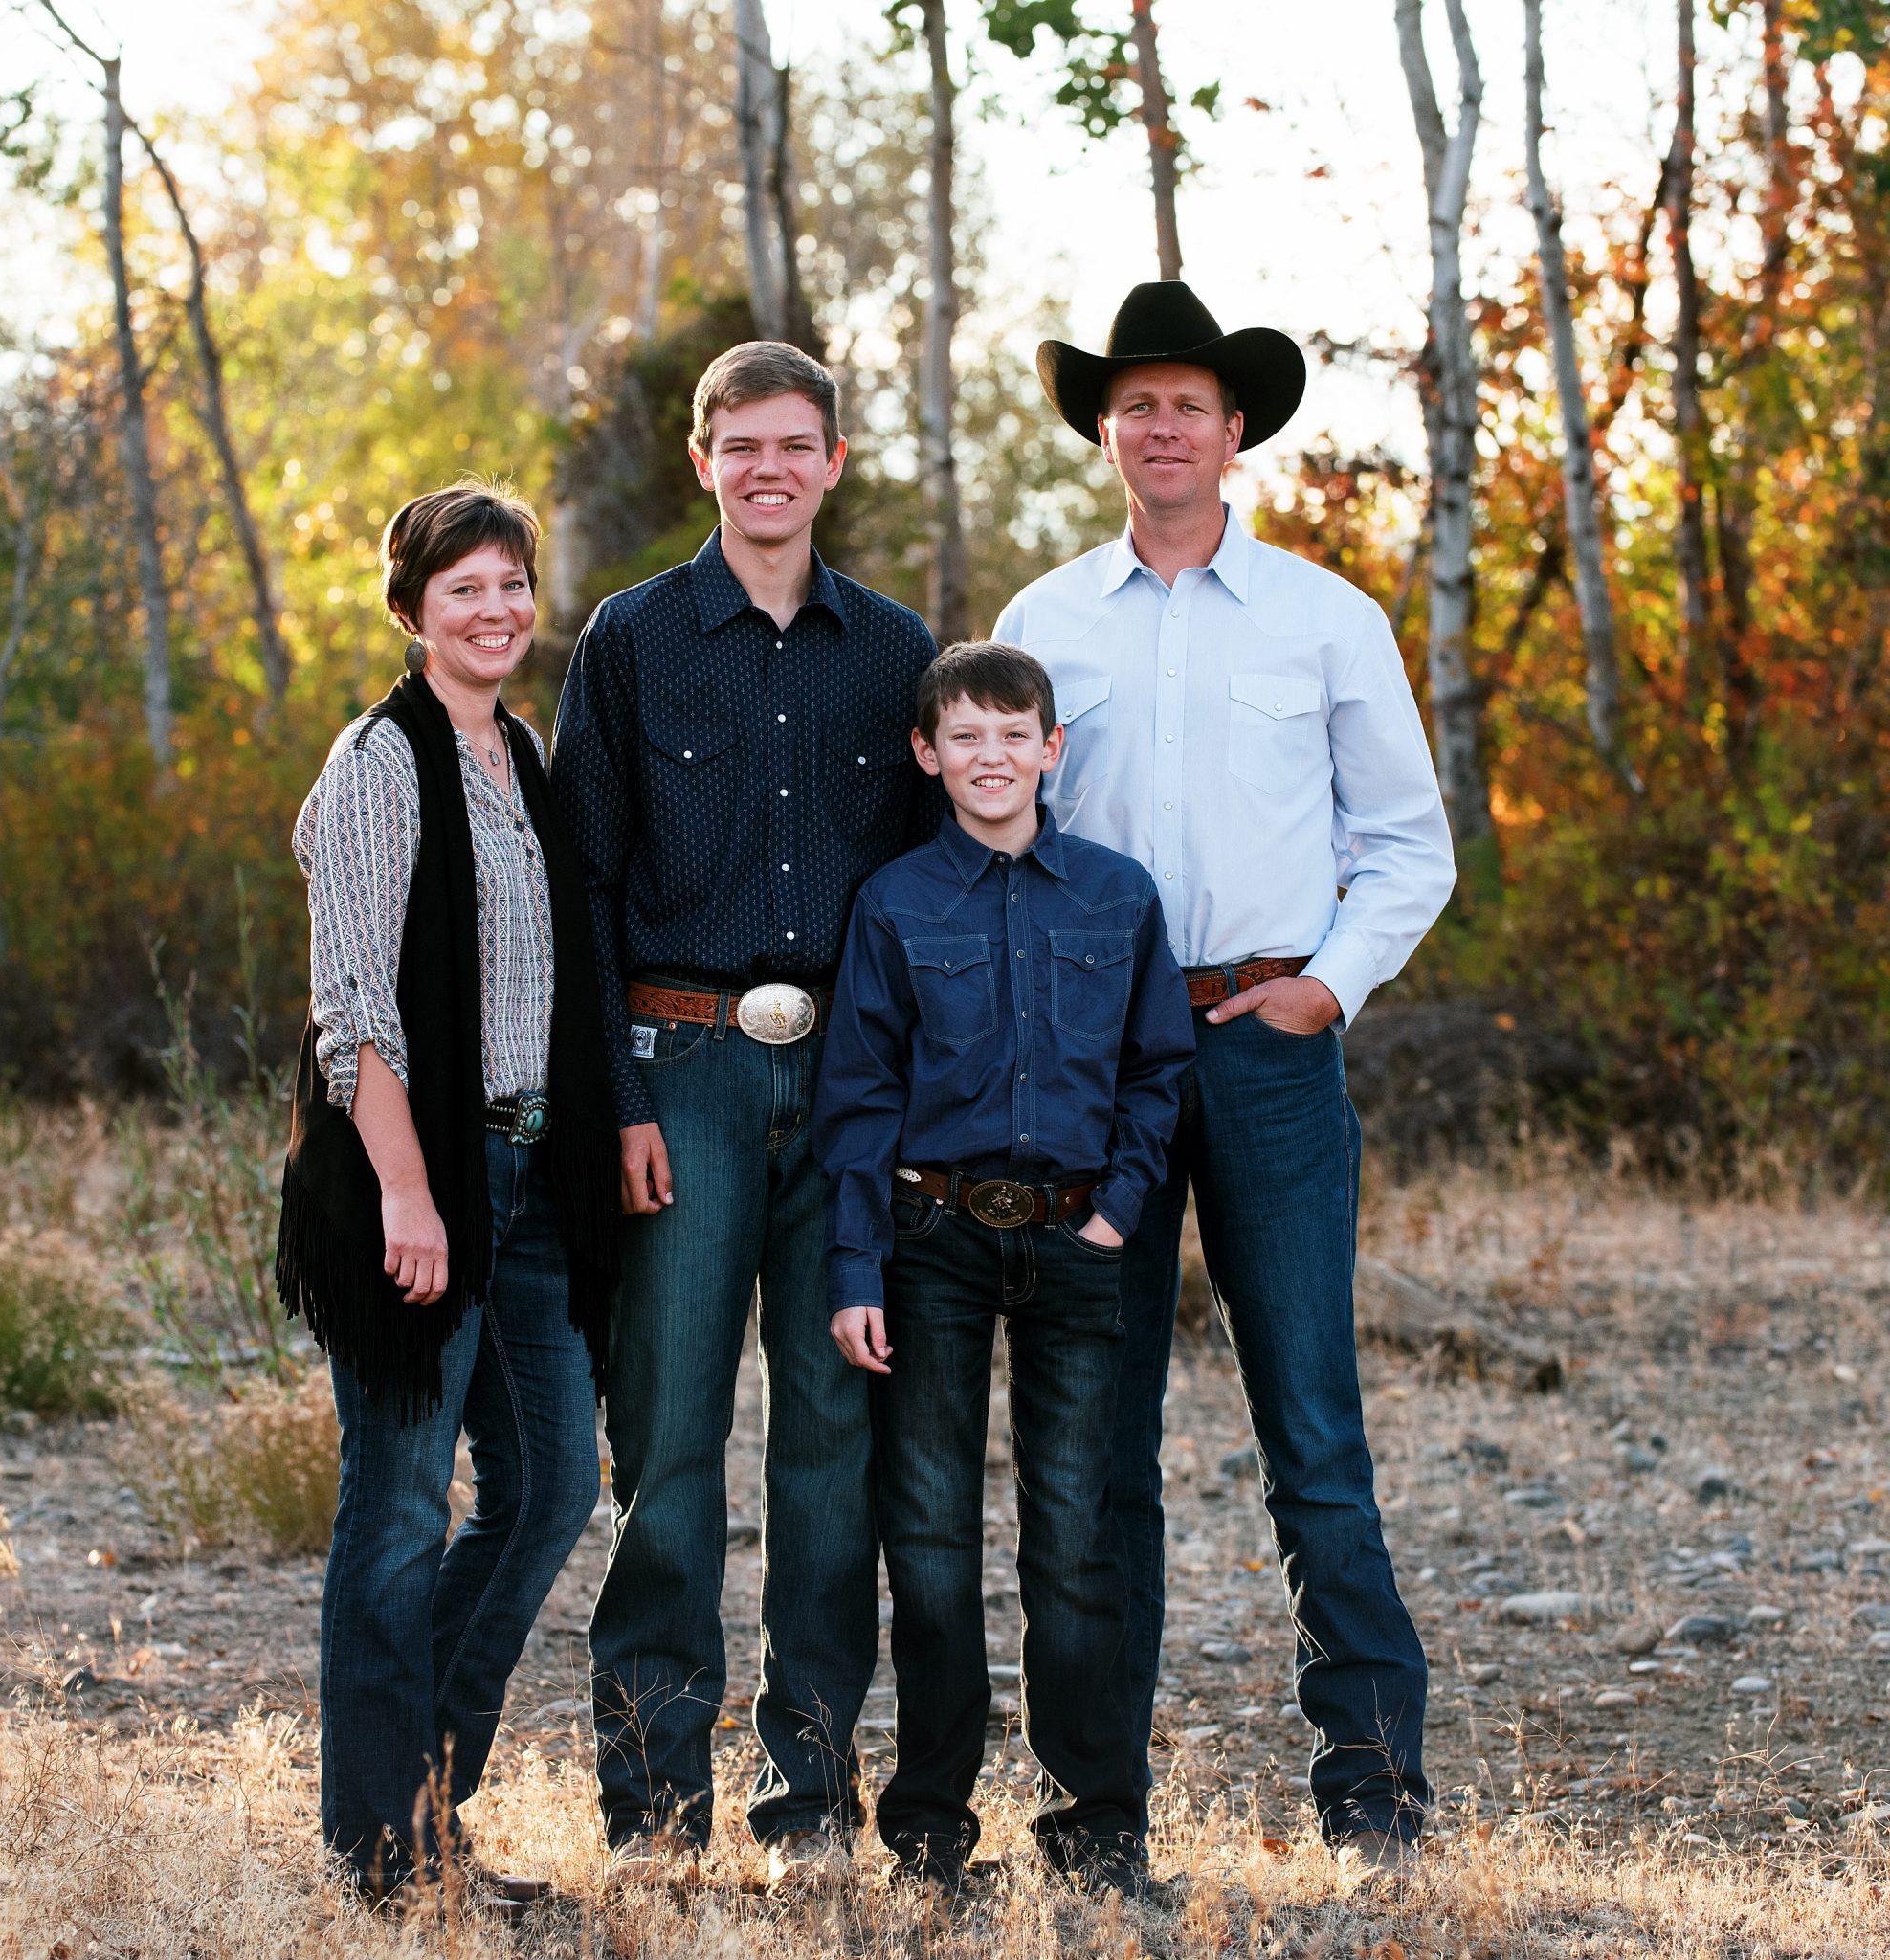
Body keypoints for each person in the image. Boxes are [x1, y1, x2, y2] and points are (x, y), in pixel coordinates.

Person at [995, 281, 1458, 1872]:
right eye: (1136, 405)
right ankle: (1095, 1816)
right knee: (1090, 1443)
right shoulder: (1043, 625)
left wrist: (1326, 988)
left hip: (1267, 1049)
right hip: (1091, 1070)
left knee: (1312, 1427)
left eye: (1190, 402)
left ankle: (1375, 1791)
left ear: (1236, 426)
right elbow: (1003, 841)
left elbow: (1409, 845)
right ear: (1106, 435)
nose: (1164, 427)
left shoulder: (1330, 619)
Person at [549, 342, 941, 1889]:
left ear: (834, 463)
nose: (769, 468)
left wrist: (910, 1106)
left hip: (848, 1086)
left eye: (798, 445)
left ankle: (810, 1811)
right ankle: (652, 1814)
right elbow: (584, 884)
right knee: (669, 1446)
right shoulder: (634, 638)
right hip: (683, 1070)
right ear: (702, 458)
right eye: (741, 445)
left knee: (832, 1453)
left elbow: (924, 902)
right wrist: (620, 1098)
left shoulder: (895, 647)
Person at [277, 478, 621, 1909]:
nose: (495, 611)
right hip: (415, 1179)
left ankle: (423, 1791)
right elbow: (353, 1010)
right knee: (402, 1505)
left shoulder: (522, 753)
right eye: (464, 588)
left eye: (512, 585)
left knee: (550, 1485)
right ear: (412, 607)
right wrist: (407, 1195)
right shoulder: (382, 760)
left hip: (534, 1176)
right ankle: (384, 1849)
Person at [813, 642, 1194, 1897]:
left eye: (1010, 734)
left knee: (1079, 1541)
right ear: (926, 754)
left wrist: (1120, 1214)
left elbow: (1157, 1069)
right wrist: (855, 1265)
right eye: (962, 737)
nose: (988, 758)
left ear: (1051, 748)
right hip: (930, 1247)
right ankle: (929, 1832)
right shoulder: (896, 901)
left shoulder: (1117, 896)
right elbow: (860, 1093)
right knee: (926, 1539)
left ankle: (1098, 1829)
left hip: (1079, 1243)